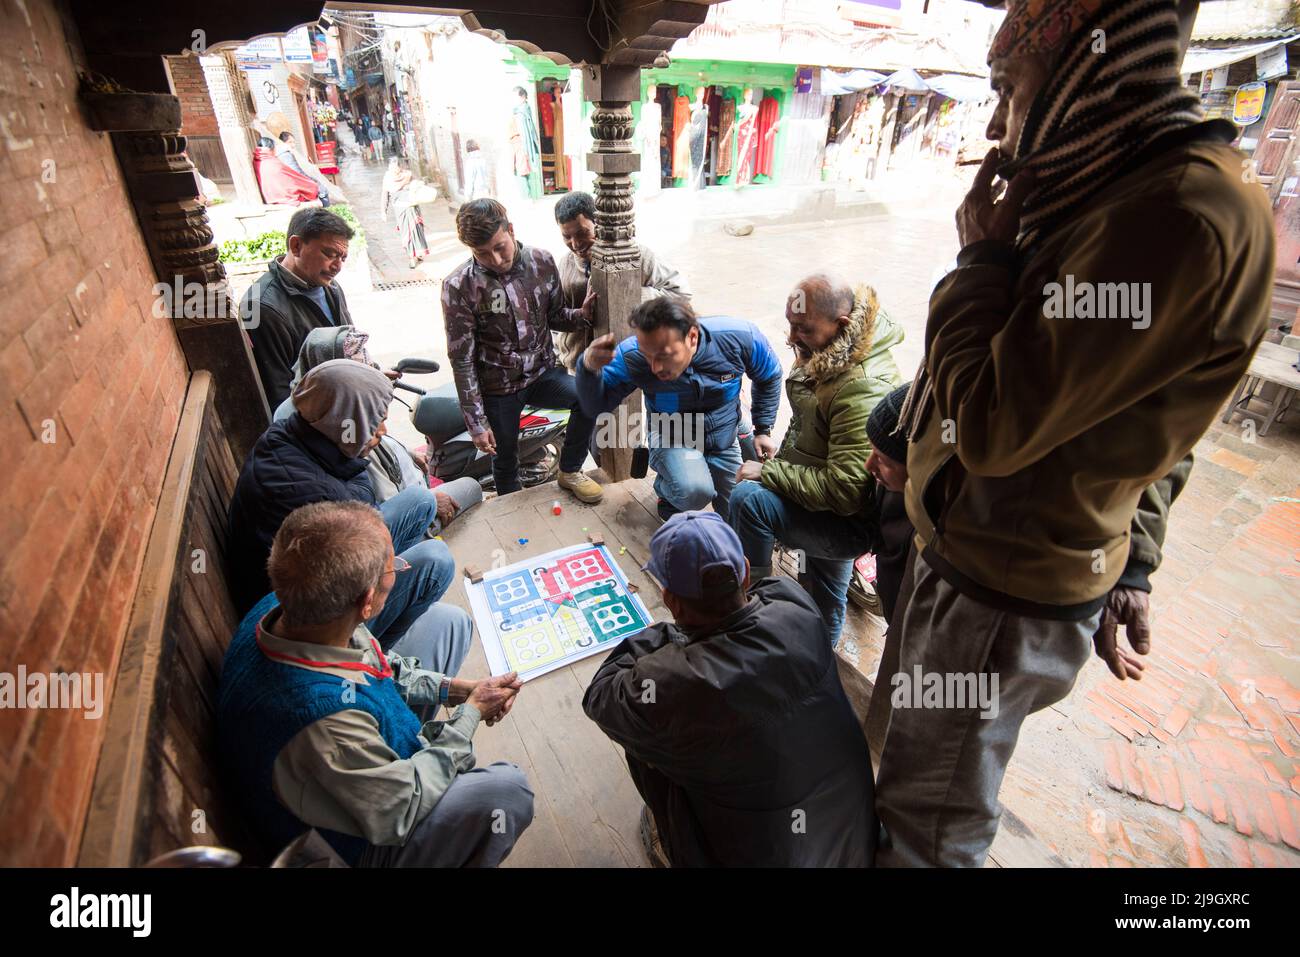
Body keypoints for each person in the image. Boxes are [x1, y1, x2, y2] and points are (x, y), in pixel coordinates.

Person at [875, 0, 1274, 867]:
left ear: (1087, 74)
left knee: (929, 816)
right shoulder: (1119, 187)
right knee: (914, 767)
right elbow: (1152, 407)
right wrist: (1135, 556)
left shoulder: (1173, 218)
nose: (996, 123)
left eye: (1010, 87)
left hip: (999, 582)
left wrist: (979, 261)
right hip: (974, 552)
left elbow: (990, 422)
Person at [218, 500, 533, 867]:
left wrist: (459, 690)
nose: (399, 567)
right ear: (367, 601)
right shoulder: (321, 718)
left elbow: (378, 663)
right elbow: (405, 804)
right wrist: (469, 715)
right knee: (507, 791)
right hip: (349, 845)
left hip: (348, 770)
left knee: (450, 623)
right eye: (393, 567)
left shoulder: (290, 605)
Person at [583, 511, 875, 867]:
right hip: (853, 836)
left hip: (762, 855)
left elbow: (601, 693)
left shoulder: (672, 682)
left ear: (670, 600)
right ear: (747, 572)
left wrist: (672, 635)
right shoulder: (794, 605)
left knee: (642, 736)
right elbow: (754, 606)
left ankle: (672, 844)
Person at [226, 361, 464, 656]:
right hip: (317, 622)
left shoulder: (296, 433)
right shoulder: (316, 496)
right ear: (346, 421)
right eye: (375, 421)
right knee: (436, 561)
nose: (382, 431)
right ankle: (378, 655)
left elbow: (360, 494)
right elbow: (352, 542)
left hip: (322, 572)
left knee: (421, 499)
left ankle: (401, 593)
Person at [728, 275, 902, 647]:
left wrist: (773, 472)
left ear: (839, 325)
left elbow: (846, 491)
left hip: (847, 520)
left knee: (748, 500)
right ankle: (817, 654)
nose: (791, 337)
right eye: (789, 324)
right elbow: (808, 420)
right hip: (825, 503)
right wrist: (783, 453)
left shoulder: (861, 386)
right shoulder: (826, 352)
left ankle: (753, 608)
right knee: (823, 593)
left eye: (802, 328)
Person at [442, 198, 604, 503]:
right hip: (497, 388)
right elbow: (461, 360)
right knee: (504, 458)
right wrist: (476, 422)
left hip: (544, 374)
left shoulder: (542, 262)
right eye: (482, 253)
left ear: (511, 230)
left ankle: (569, 470)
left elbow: (555, 317)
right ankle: (512, 516)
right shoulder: (458, 286)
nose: (495, 259)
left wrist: (581, 315)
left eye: (499, 246)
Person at [577, 297, 782, 522]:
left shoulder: (740, 338)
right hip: (673, 434)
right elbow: (594, 407)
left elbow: (770, 375)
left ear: (692, 337)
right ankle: (668, 496)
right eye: (648, 356)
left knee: (740, 511)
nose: (654, 367)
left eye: (664, 356)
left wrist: (763, 428)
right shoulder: (632, 355)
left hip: (725, 433)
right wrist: (588, 369)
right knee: (694, 491)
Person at [273, 325, 482, 514]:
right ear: (339, 377)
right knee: (470, 487)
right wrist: (429, 504)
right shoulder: (346, 434)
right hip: (396, 516)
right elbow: (381, 500)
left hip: (399, 499)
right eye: (361, 371)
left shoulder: (314, 405)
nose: (379, 431)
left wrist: (405, 454)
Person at [552, 191, 690, 372]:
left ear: (598, 223)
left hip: (627, 365)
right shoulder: (565, 264)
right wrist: (560, 355)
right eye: (567, 237)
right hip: (577, 367)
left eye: (582, 233)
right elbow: (556, 316)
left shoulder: (635, 256)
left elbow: (681, 294)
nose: (575, 244)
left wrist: (631, 295)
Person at [241, 207, 354, 409]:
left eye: (342, 258)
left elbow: (349, 344)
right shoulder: (262, 308)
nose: (337, 266)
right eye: (330, 254)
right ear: (296, 246)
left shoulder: (330, 287)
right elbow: (279, 394)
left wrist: (369, 374)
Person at [381, 158, 430, 269]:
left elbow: (419, 184)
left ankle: (418, 254)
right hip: (401, 211)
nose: (394, 169)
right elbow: (385, 195)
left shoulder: (407, 175)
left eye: (396, 166)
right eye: (392, 166)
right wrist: (383, 211)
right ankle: (412, 258)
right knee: (407, 234)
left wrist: (417, 185)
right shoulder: (388, 178)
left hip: (412, 207)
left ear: (399, 167)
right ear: (389, 167)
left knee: (416, 231)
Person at [252, 136, 321, 207]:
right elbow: (293, 178)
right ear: (272, 148)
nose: (293, 145)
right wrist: (312, 185)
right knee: (316, 189)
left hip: (269, 196)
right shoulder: (274, 161)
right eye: (290, 142)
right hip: (281, 197)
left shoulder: (257, 160)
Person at [276, 131, 332, 206]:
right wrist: (312, 180)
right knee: (322, 189)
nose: (293, 145)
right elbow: (297, 172)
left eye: (294, 142)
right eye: (290, 142)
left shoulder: (284, 152)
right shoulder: (285, 155)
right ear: (283, 143)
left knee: (320, 185)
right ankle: (326, 209)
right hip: (294, 183)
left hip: (293, 181)